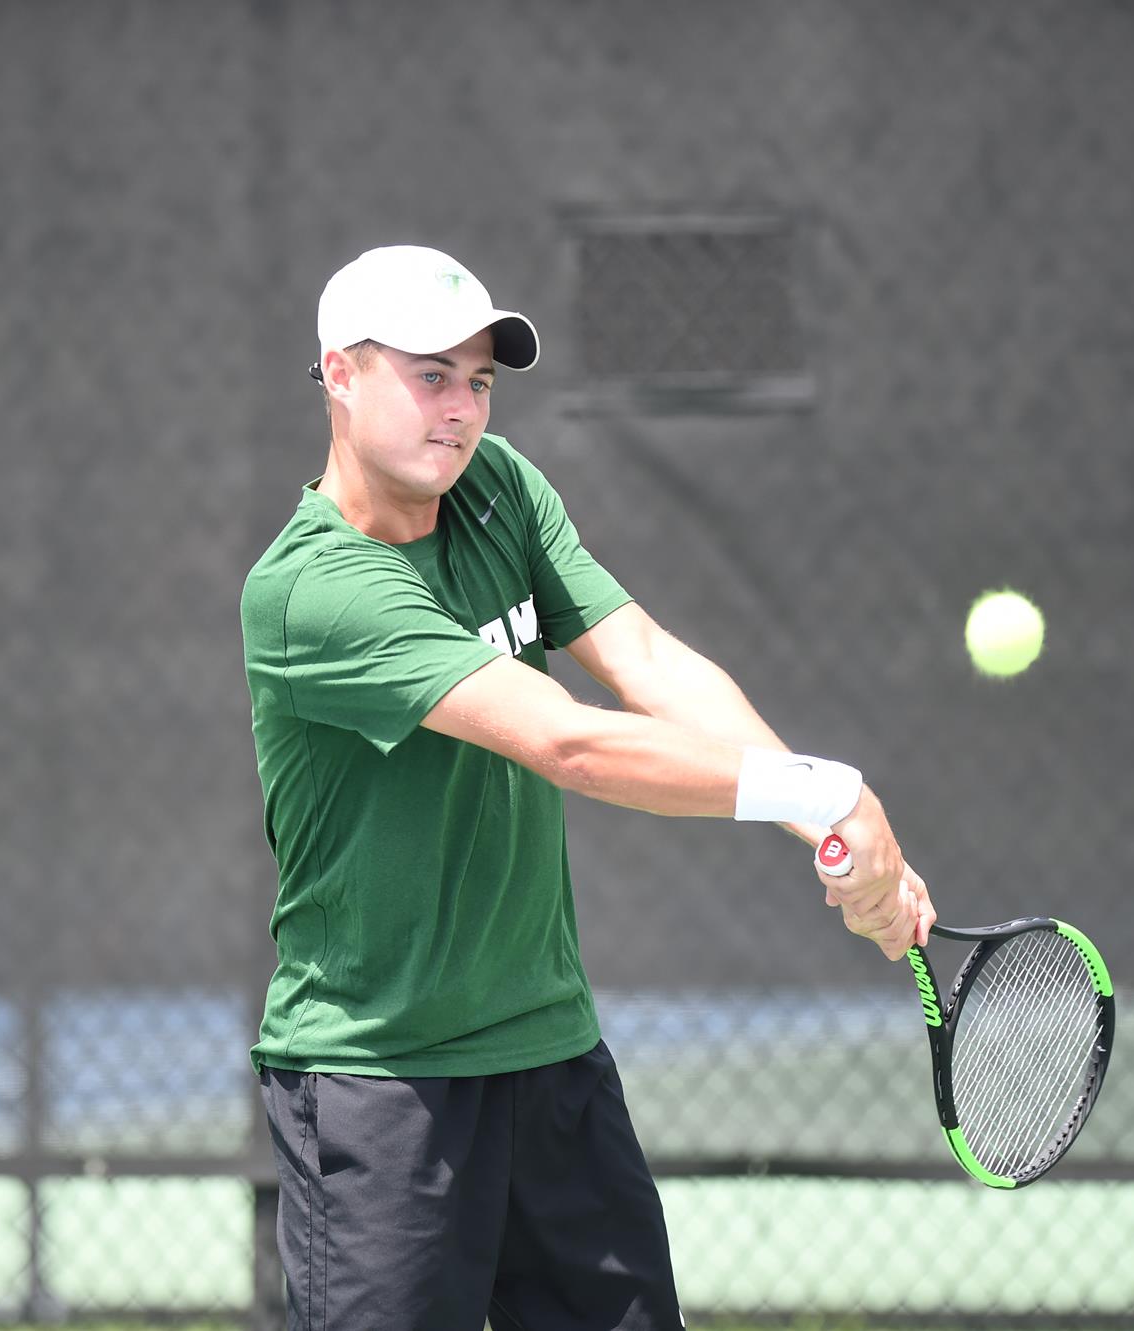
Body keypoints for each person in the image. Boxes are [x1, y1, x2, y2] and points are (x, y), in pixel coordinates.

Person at [240, 245, 936, 1331]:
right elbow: (569, 742)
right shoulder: (310, 591)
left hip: (550, 1055)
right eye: (430, 375)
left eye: (479, 380)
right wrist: (827, 791)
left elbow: (645, 660)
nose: (460, 408)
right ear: (339, 372)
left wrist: (824, 826)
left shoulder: (497, 488)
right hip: (379, 1082)